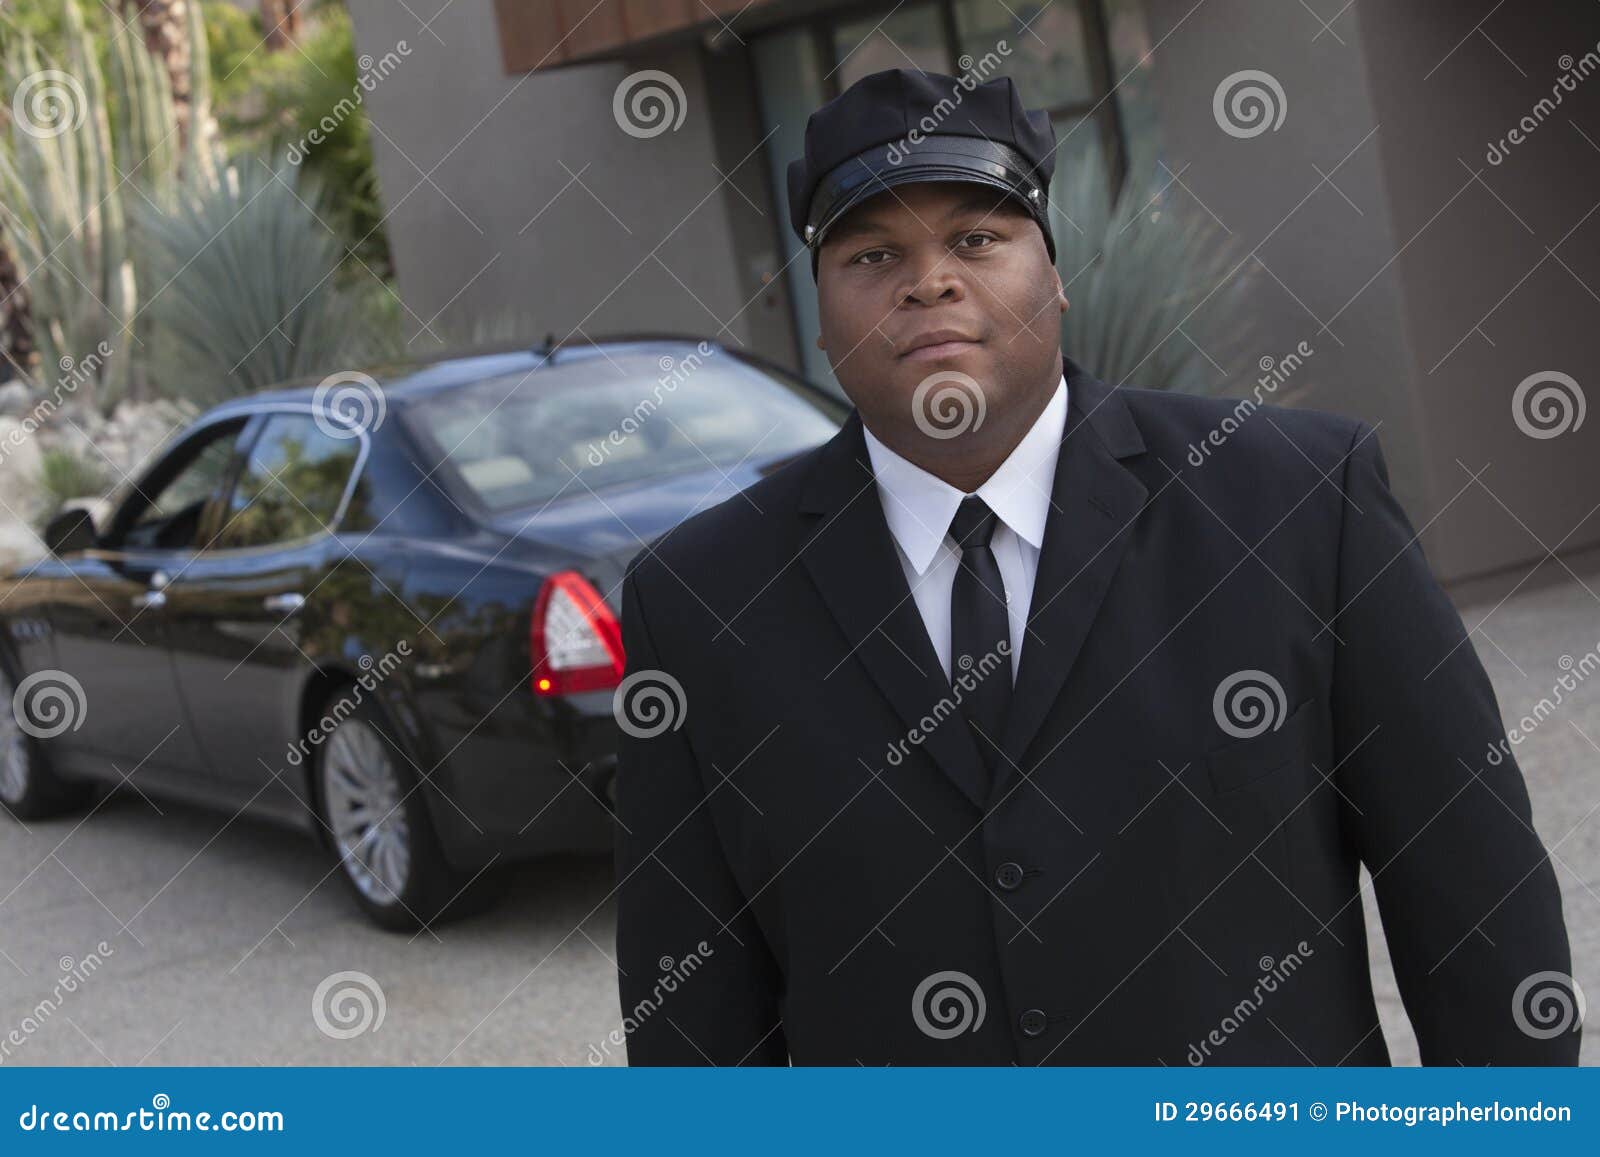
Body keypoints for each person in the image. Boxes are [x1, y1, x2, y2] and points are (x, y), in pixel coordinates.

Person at [611, 68, 1578, 1065]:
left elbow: (1471, 894)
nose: (929, 280)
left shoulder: (1296, 502)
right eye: (872, 253)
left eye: (976, 239)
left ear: (1056, 272)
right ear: (816, 315)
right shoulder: (700, 598)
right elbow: (692, 1007)